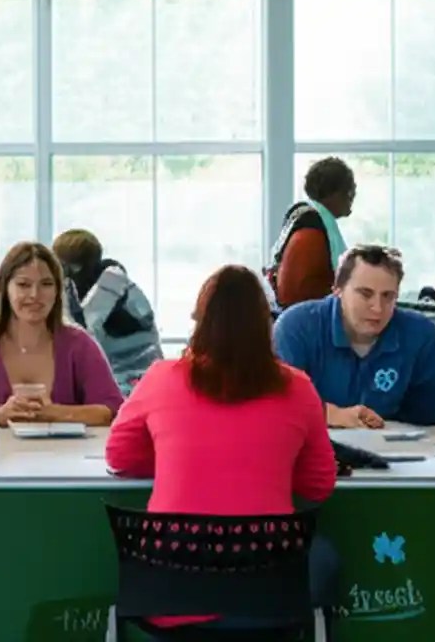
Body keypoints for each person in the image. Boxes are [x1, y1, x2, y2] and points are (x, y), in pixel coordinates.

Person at [106, 264, 338, 633]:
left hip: (169, 593)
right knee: (324, 557)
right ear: (266, 325)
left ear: (200, 321)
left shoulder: (160, 378)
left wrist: (178, 457)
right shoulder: (298, 388)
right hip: (268, 597)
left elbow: (119, 458)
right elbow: (319, 485)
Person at [0, 241, 124, 427]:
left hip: (66, 455)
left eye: (46, 284)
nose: (35, 295)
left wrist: (54, 412)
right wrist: (1, 415)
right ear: (5, 289)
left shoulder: (80, 344)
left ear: (58, 290)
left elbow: (113, 409)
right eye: (23, 285)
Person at [275, 244, 435, 428]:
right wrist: (330, 414)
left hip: (390, 449)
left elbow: (427, 423)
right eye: (365, 294)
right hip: (312, 446)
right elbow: (276, 408)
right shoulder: (296, 327)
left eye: (388, 296)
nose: (377, 308)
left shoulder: (420, 335)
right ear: (337, 289)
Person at [52, 229, 162, 395]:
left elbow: (82, 334)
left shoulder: (112, 280)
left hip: (136, 379)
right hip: (123, 377)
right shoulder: (86, 287)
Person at [265, 156, 356, 310]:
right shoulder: (312, 235)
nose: (353, 195)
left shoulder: (304, 217)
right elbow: (297, 295)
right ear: (333, 193)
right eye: (349, 189)